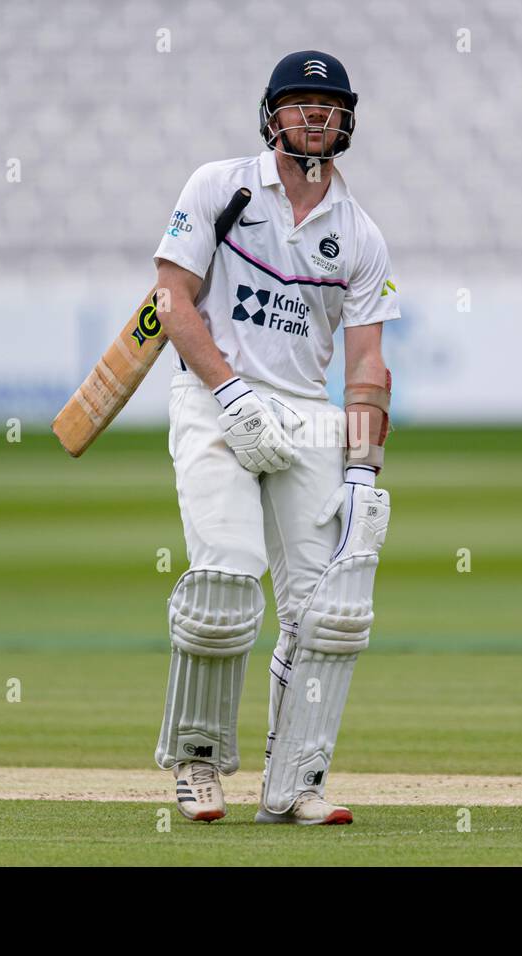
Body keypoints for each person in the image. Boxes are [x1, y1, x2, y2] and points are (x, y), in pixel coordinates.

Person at [150, 50, 399, 825]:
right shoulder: (218, 187)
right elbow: (171, 298)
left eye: (329, 107)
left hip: (307, 413)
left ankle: (296, 783)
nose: (316, 117)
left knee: (332, 609)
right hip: (211, 399)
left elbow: (366, 367)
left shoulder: (361, 236)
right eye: (300, 104)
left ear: (347, 121)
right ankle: (196, 765)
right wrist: (228, 392)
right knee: (225, 580)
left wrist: (364, 469)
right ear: (271, 114)